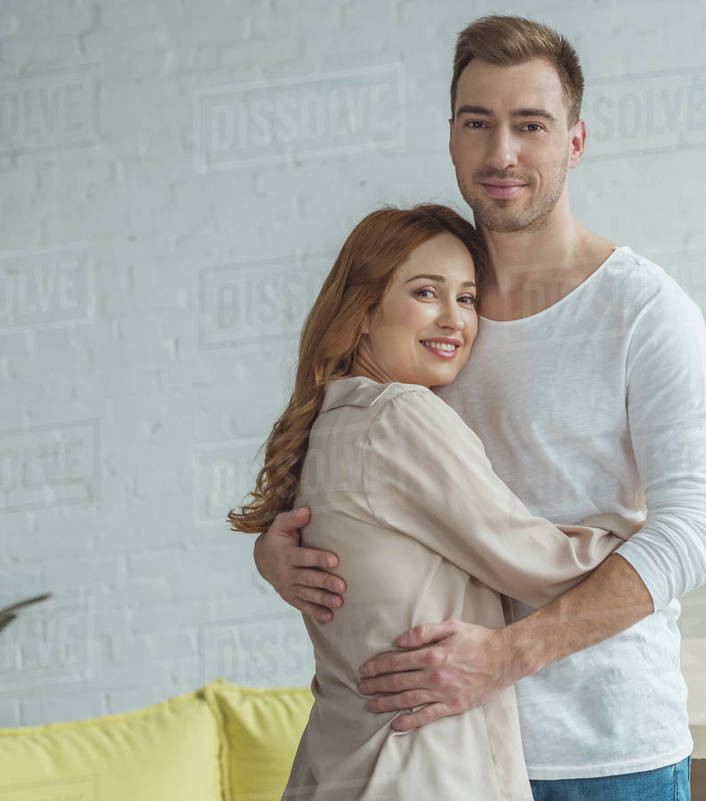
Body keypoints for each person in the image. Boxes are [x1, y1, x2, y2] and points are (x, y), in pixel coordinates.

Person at [254, 15, 706, 801]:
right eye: (478, 123)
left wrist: (504, 656)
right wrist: (283, 547)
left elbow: (699, 530)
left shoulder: (644, 310)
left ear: (575, 140)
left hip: (606, 757)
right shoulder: (430, 311)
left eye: (530, 125)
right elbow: (360, 464)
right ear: (450, 136)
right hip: (448, 761)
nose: (501, 152)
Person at [228, 204, 637, 800]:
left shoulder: (331, 423)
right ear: (363, 311)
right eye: (427, 292)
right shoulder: (400, 415)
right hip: (421, 774)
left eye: (468, 299)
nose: (455, 320)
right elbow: (545, 566)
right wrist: (645, 521)